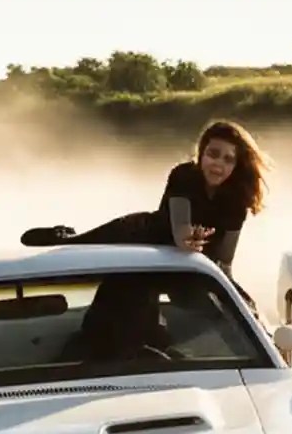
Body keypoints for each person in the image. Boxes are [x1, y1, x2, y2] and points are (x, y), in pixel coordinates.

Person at [21, 119, 270, 307]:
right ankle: (63, 235)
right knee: (71, 250)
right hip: (139, 233)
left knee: (244, 306)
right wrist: (191, 239)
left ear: (236, 166)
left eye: (228, 160)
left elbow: (225, 263)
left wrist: (238, 299)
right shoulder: (184, 175)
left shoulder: (238, 199)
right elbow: (181, 232)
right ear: (201, 154)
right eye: (213, 154)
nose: (218, 164)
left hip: (185, 263)